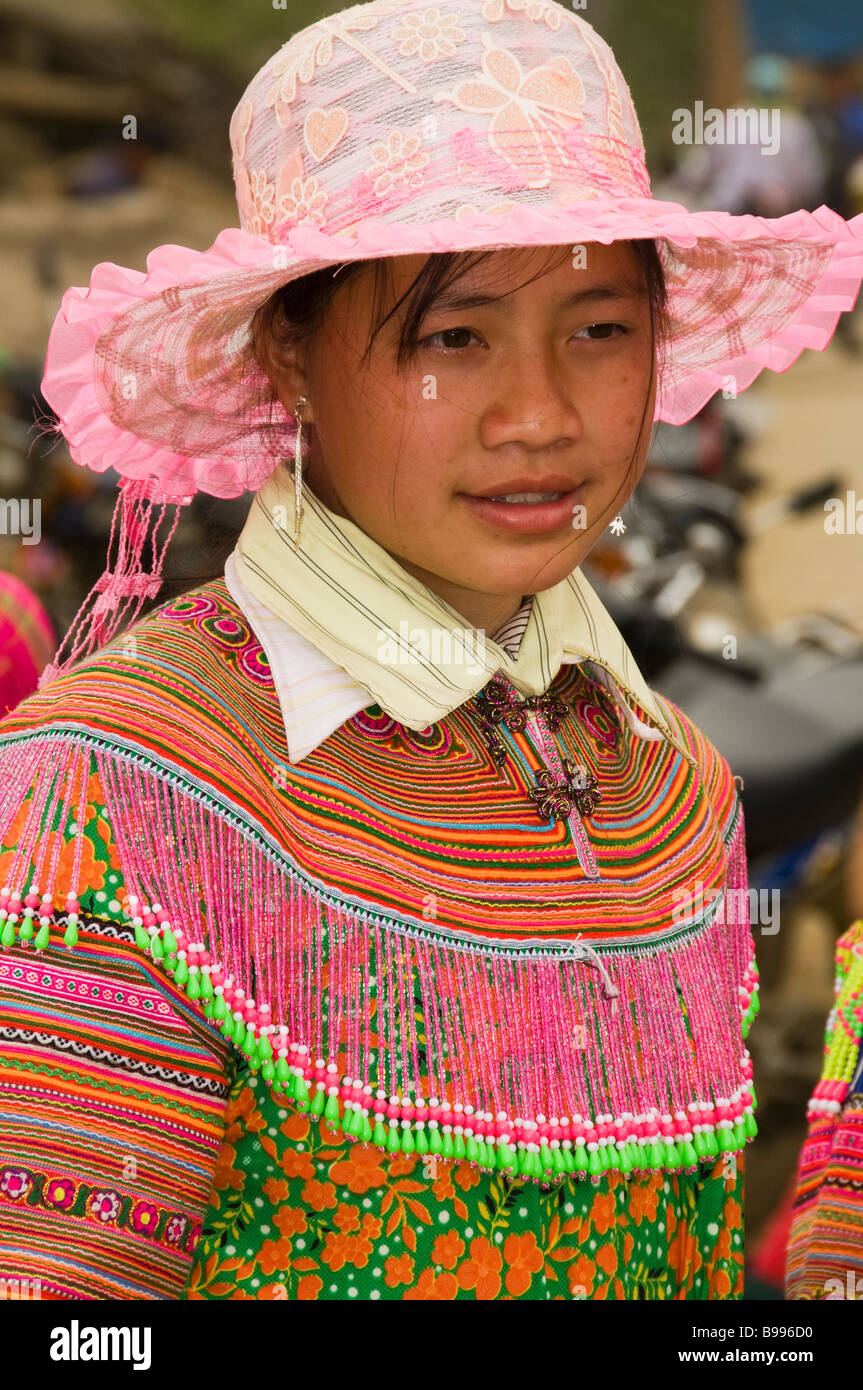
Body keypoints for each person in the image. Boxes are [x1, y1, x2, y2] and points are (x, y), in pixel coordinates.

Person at [0, 0, 861, 1302]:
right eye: (453, 338)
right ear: (287, 352)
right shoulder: (111, 799)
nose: (540, 415)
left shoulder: (674, 782)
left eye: (600, 329)